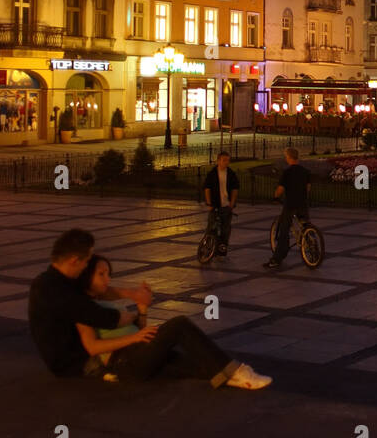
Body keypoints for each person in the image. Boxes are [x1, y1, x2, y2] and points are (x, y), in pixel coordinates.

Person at [28, 228, 270, 389]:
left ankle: (229, 376)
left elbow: (100, 297)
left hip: (115, 359)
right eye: (89, 264)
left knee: (183, 362)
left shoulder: (57, 283)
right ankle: (235, 371)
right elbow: (103, 318)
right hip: (79, 365)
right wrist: (131, 318)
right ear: (74, 261)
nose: (89, 269)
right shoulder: (58, 292)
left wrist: (135, 302)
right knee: (178, 325)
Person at [76, 251, 270, 389]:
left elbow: (137, 330)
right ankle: (237, 372)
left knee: (202, 365)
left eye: (108, 274)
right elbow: (91, 346)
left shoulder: (107, 298)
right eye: (100, 274)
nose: (106, 279)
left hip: (140, 353)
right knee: (179, 324)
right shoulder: (82, 306)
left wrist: (142, 310)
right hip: (125, 360)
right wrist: (134, 339)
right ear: (86, 276)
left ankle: (233, 377)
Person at [266, 147, 311, 270]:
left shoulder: (287, 172)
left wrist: (275, 197)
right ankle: (313, 249)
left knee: (284, 231)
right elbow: (308, 188)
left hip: (290, 204)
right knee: (306, 225)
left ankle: (277, 258)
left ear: (289, 158)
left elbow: (280, 189)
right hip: (303, 204)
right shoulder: (305, 171)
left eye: (286, 156)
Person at [202, 151, 239, 258]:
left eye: (228, 160)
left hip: (226, 205)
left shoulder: (231, 174)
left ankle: (221, 250)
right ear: (218, 161)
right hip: (214, 205)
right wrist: (209, 203)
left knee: (225, 229)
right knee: (210, 228)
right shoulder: (212, 173)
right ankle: (207, 249)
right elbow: (207, 188)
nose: (226, 162)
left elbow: (235, 189)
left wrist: (232, 203)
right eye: (224, 160)